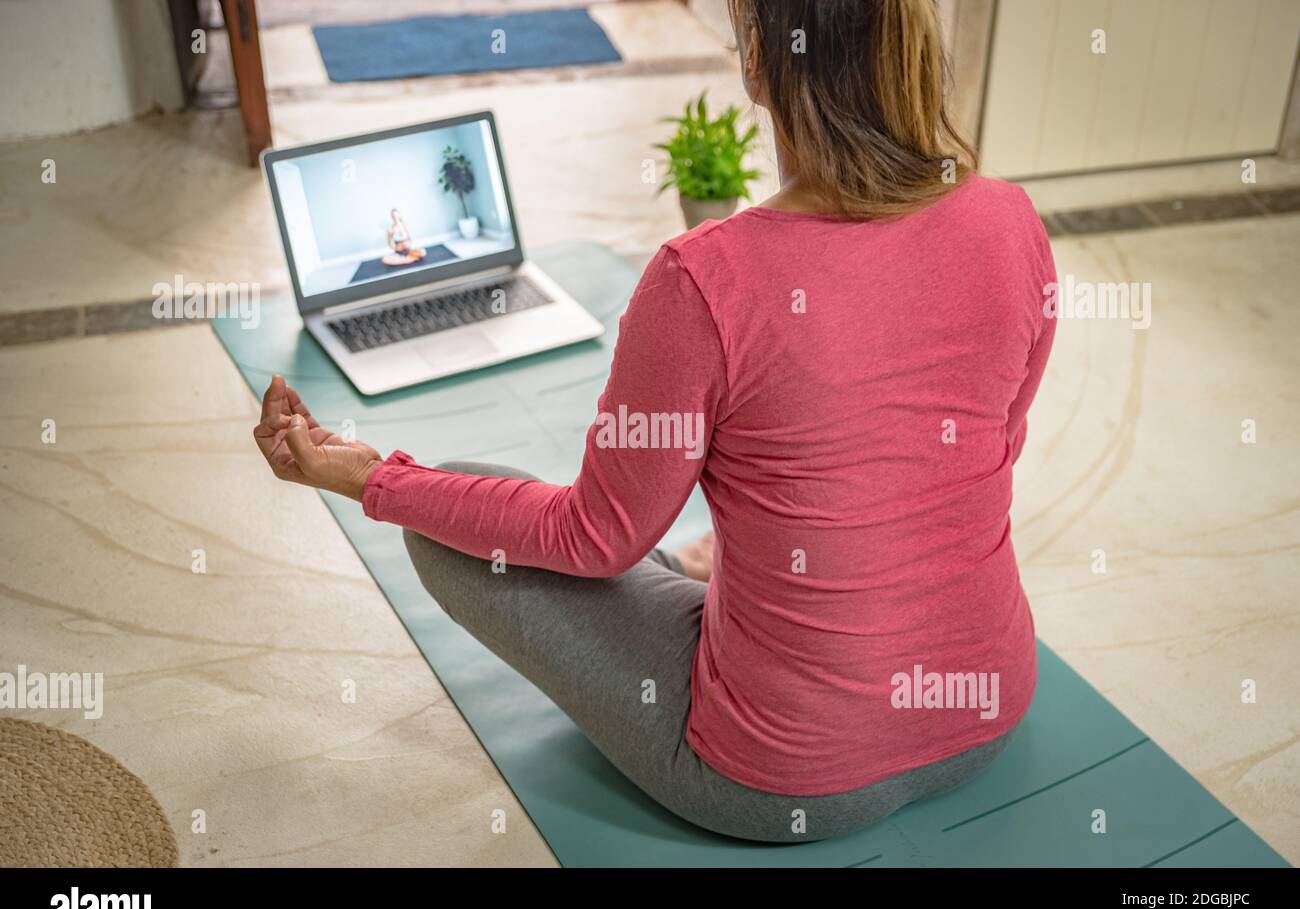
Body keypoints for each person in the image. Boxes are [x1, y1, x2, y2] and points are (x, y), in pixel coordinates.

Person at [253, 0, 1057, 843]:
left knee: (444, 524)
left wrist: (366, 476)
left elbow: (597, 538)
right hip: (986, 715)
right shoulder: (1011, 220)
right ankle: (713, 569)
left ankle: (701, 570)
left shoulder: (708, 274)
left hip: (784, 778)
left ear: (757, 61)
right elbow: (992, 448)